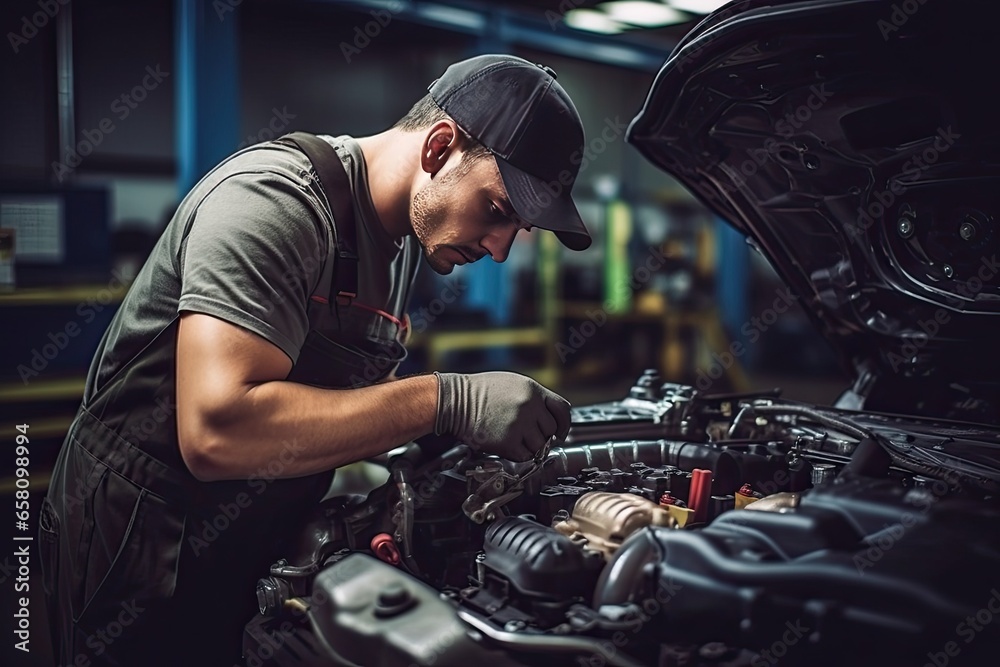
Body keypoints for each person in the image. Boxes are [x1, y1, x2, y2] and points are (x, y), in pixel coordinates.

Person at [39, 53, 592, 666]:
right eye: (497, 210)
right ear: (439, 147)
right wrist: (445, 401)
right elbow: (218, 430)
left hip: (250, 527)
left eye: (518, 230)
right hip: (142, 539)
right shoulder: (274, 204)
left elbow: (344, 396)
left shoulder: (401, 241)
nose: (498, 249)